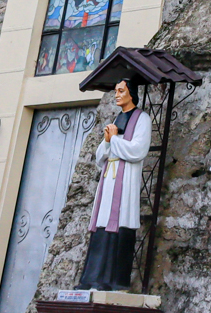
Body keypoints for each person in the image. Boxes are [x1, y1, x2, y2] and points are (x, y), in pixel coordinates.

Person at [78, 78, 151, 291]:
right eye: (116, 91)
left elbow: (138, 150)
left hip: (125, 177)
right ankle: (92, 278)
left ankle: (112, 280)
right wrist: (108, 140)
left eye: (121, 91)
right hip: (109, 176)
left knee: (119, 222)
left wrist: (115, 140)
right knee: (102, 224)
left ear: (131, 94)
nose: (117, 95)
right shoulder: (117, 118)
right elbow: (101, 154)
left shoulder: (142, 118)